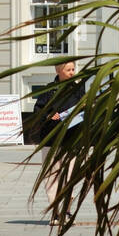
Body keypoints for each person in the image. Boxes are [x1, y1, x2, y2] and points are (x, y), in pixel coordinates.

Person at [35, 59, 84, 209]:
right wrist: (50, 116)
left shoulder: (79, 90)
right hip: (51, 141)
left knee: (70, 176)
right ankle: (55, 209)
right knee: (51, 176)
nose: (72, 73)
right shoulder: (48, 91)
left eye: (73, 69)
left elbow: (84, 110)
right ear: (58, 71)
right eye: (68, 70)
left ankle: (66, 209)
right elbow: (38, 113)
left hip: (72, 139)